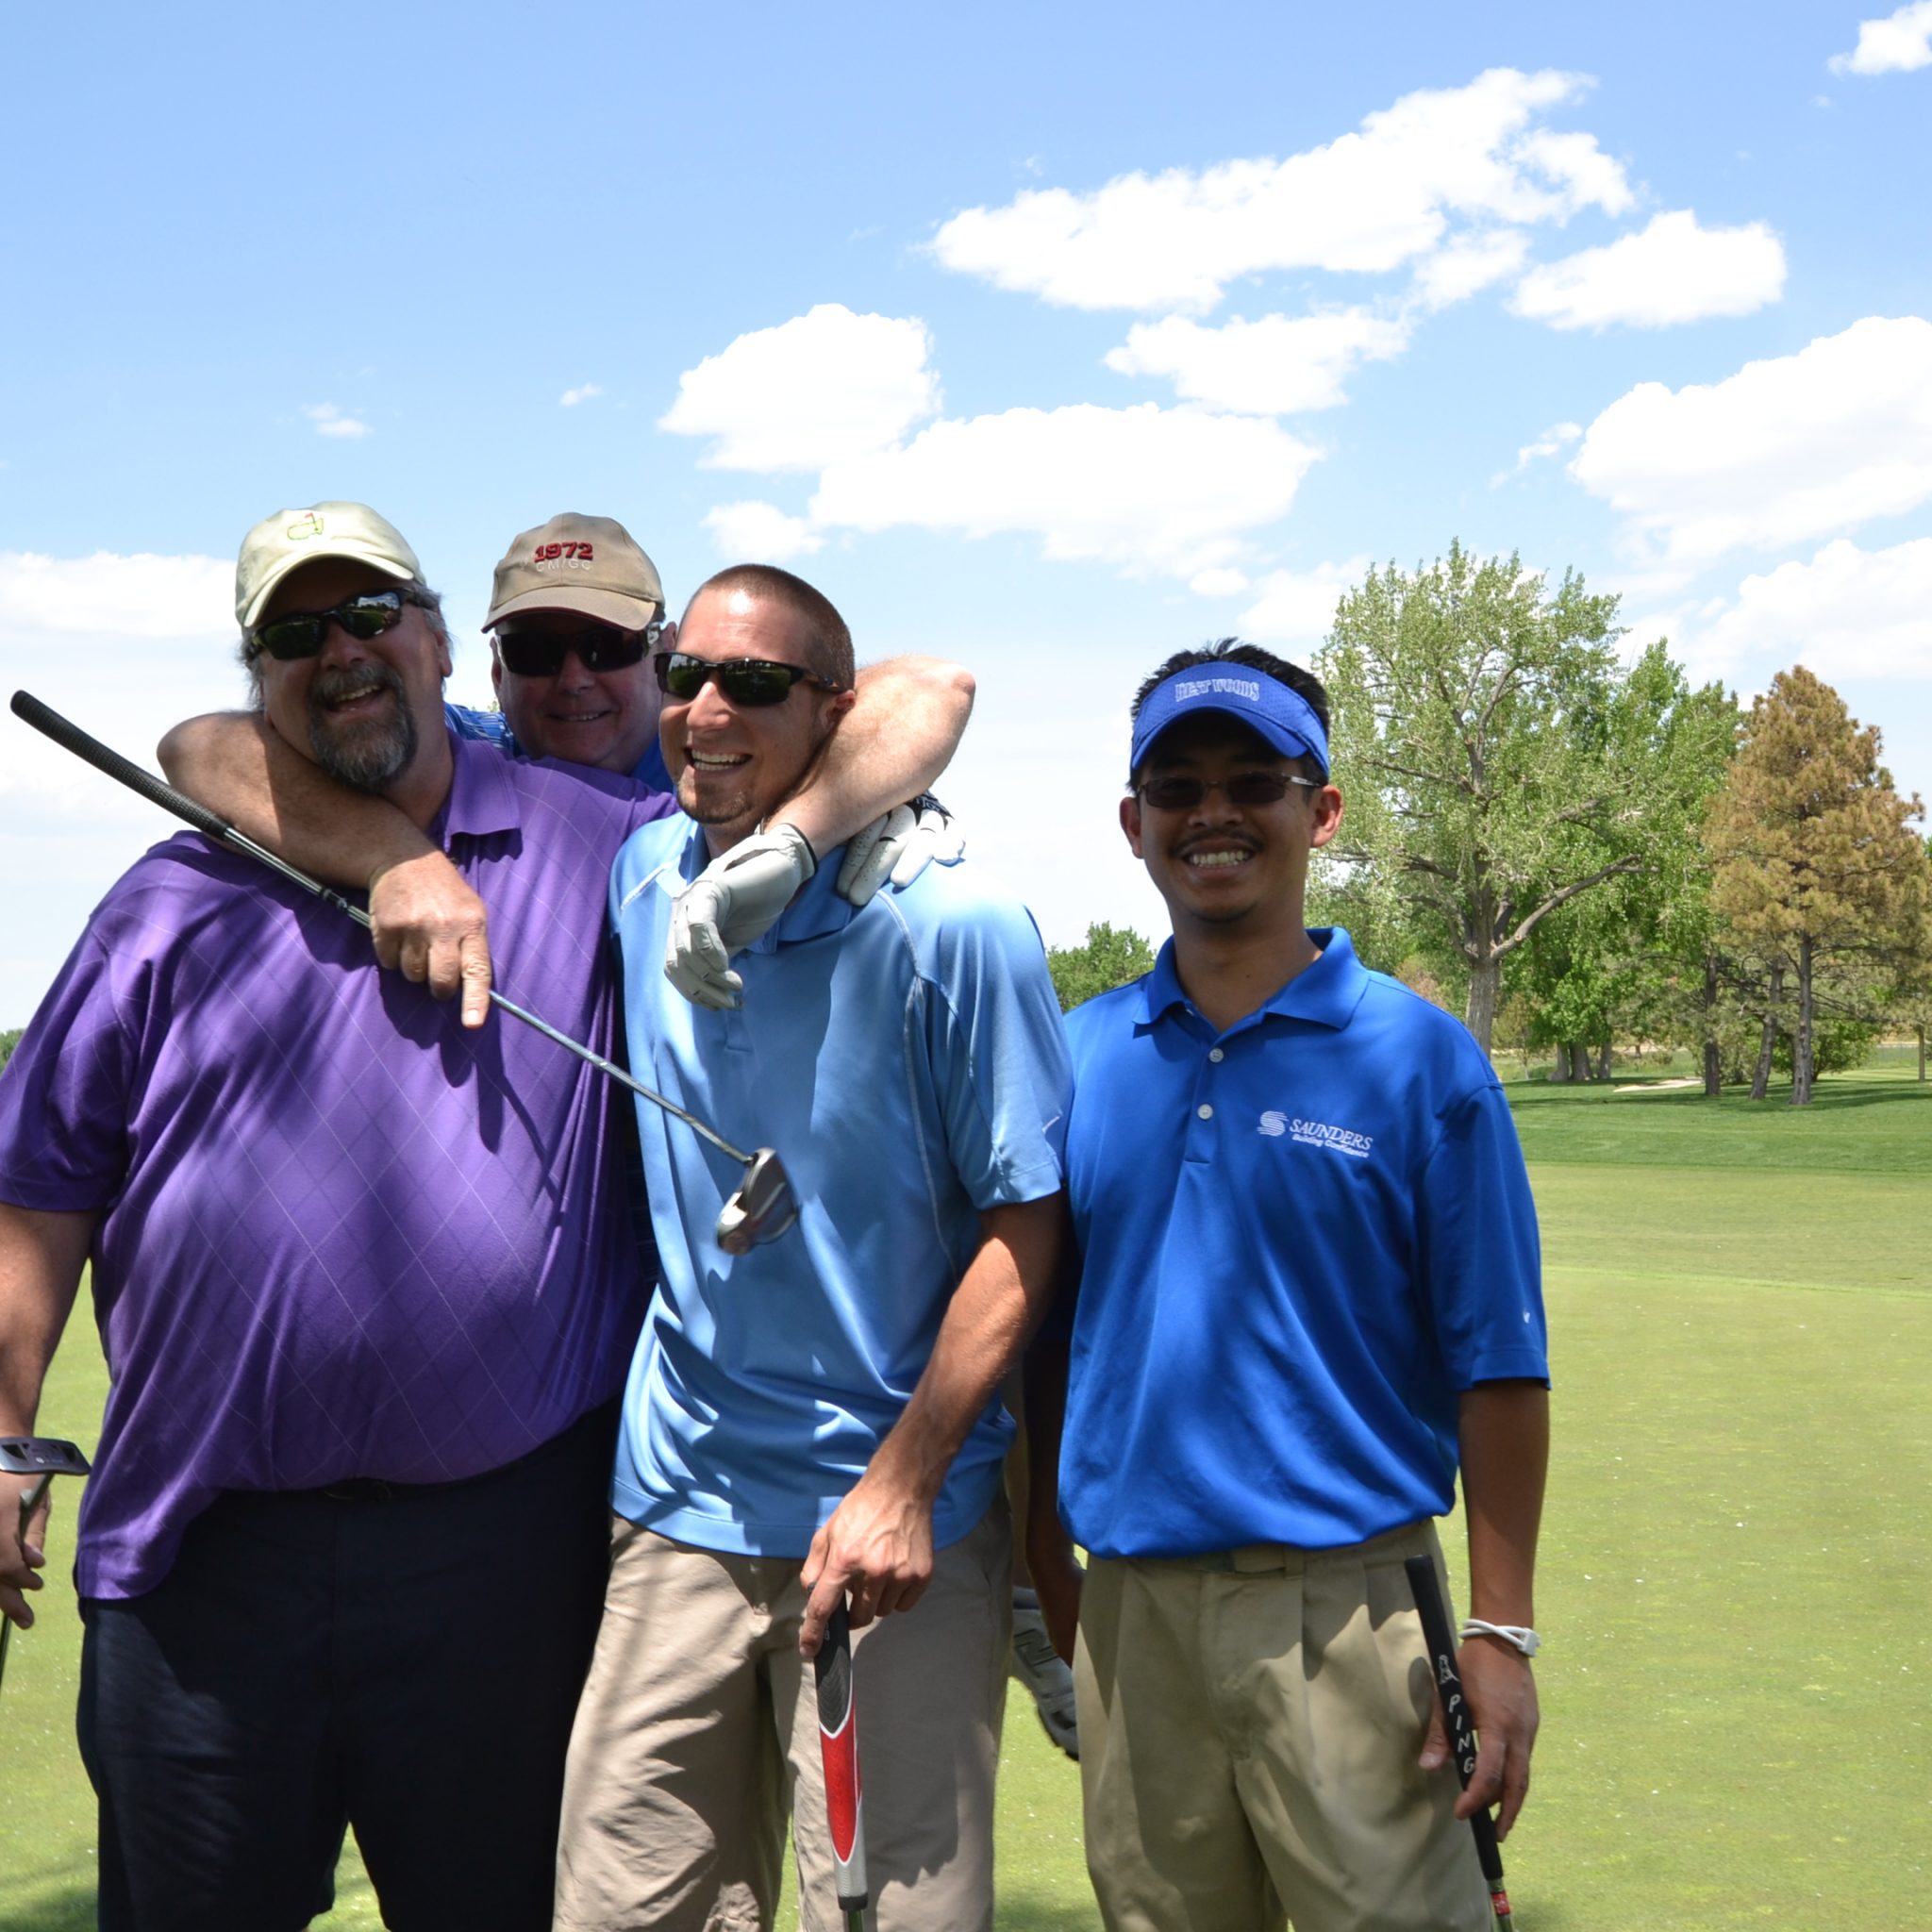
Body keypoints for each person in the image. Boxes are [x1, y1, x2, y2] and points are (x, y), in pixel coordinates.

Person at [0, 502, 968, 1932]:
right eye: (295, 635)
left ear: (440, 639)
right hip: (204, 1562)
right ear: (259, 671)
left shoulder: (620, 851)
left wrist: (799, 837)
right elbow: (36, 1201)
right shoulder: (164, 899)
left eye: (374, 614)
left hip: (500, 1563)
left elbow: (920, 692)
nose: (341, 652)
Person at [552, 565, 1071, 1932]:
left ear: (835, 715)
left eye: (758, 685)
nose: (707, 709)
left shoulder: (956, 928)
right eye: (687, 677)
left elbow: (1029, 1225)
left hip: (890, 1530)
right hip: (677, 1512)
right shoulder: (642, 867)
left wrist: (905, 1482)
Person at [1024, 641, 1550, 1932]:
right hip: (1135, 1610)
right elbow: (1039, 1354)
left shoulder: (1422, 1062)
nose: (1213, 813)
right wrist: (1057, 1586)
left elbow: (1499, 1367)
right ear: (1132, 824)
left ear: (1319, 813)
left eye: (1253, 781)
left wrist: (1504, 1632)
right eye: (1178, 785)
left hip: (1354, 1609)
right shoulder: (1077, 1056)